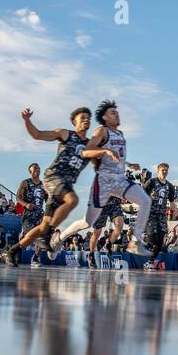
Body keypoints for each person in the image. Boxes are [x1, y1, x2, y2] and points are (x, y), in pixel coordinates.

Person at [57, 100, 153, 256]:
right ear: (105, 117)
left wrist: (128, 163)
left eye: (117, 112)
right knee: (87, 223)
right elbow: (86, 152)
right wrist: (106, 152)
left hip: (120, 179)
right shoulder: (101, 131)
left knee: (145, 200)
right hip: (103, 181)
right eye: (112, 113)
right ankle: (60, 238)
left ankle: (135, 242)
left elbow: (116, 157)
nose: (117, 114)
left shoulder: (120, 134)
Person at [6, 107, 94, 266]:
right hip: (54, 177)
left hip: (64, 186)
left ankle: (13, 251)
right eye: (82, 117)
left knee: (43, 226)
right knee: (73, 200)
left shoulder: (90, 146)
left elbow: (101, 164)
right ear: (74, 121)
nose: (86, 120)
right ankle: (47, 235)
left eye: (88, 117)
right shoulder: (65, 134)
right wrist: (27, 121)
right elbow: (37, 134)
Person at [142, 163, 176, 265]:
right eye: (163, 170)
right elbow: (141, 193)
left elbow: (172, 201)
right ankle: (145, 242)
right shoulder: (152, 182)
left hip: (161, 215)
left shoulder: (170, 186)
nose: (165, 172)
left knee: (161, 240)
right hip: (151, 213)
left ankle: (151, 261)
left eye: (166, 170)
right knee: (153, 238)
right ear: (158, 171)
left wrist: (175, 212)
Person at [15, 163, 48, 267]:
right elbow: (18, 197)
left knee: (42, 236)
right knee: (29, 237)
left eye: (38, 168)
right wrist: (26, 204)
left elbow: (47, 199)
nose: (37, 170)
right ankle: (14, 253)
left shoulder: (44, 184)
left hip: (40, 214)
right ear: (30, 171)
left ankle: (36, 257)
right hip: (28, 214)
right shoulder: (25, 183)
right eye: (34, 169)